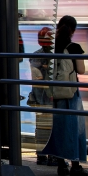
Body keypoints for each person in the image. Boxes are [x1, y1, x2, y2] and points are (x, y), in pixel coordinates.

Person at [40, 15, 88, 176]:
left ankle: (61, 165)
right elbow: (81, 70)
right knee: (75, 128)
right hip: (70, 93)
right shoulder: (74, 47)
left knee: (59, 127)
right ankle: (75, 165)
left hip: (54, 93)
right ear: (73, 30)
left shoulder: (52, 47)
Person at [28, 26, 55, 165]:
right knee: (50, 126)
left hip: (39, 96)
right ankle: (49, 154)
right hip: (48, 96)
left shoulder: (35, 56)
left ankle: (41, 154)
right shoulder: (53, 56)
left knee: (41, 126)